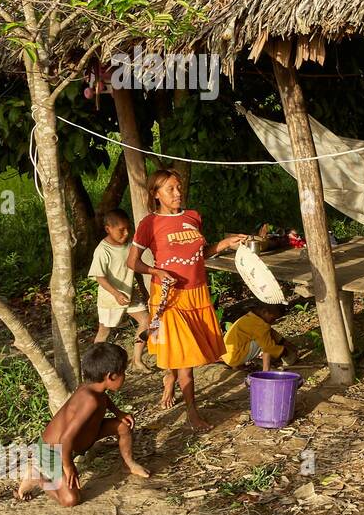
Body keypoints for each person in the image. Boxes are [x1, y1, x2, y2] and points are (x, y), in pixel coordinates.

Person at [127, 168, 249, 431]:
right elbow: (132, 262)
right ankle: (192, 410)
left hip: (197, 293)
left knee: (181, 351)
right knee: (184, 358)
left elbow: (200, 255)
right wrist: (156, 270)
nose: (177, 193)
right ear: (155, 194)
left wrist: (225, 244)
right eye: (170, 189)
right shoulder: (149, 223)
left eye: (179, 187)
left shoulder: (193, 217)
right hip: (168, 298)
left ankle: (169, 378)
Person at [15, 342, 148, 506]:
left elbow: (104, 399)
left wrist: (118, 413)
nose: (125, 377)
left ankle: (129, 464)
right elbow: (65, 439)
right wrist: (68, 466)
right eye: (123, 373)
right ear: (111, 376)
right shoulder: (89, 399)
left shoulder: (93, 388)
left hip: (82, 439)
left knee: (123, 426)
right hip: (54, 452)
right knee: (70, 500)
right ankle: (38, 478)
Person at [88, 209, 151, 372]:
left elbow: (134, 267)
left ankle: (137, 360)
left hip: (130, 294)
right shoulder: (103, 250)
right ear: (108, 229)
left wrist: (143, 288)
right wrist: (116, 293)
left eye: (128, 228)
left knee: (146, 320)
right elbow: (99, 277)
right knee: (104, 333)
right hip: (110, 298)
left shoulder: (130, 245)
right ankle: (94, 366)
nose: (126, 233)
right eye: (121, 230)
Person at [223, 303, 297, 372]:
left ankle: (238, 365)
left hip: (226, 355)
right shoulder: (261, 326)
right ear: (264, 312)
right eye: (273, 319)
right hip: (234, 358)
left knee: (267, 333)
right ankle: (265, 371)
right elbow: (267, 348)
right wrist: (284, 352)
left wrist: (285, 342)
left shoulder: (251, 317)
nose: (273, 322)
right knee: (265, 342)